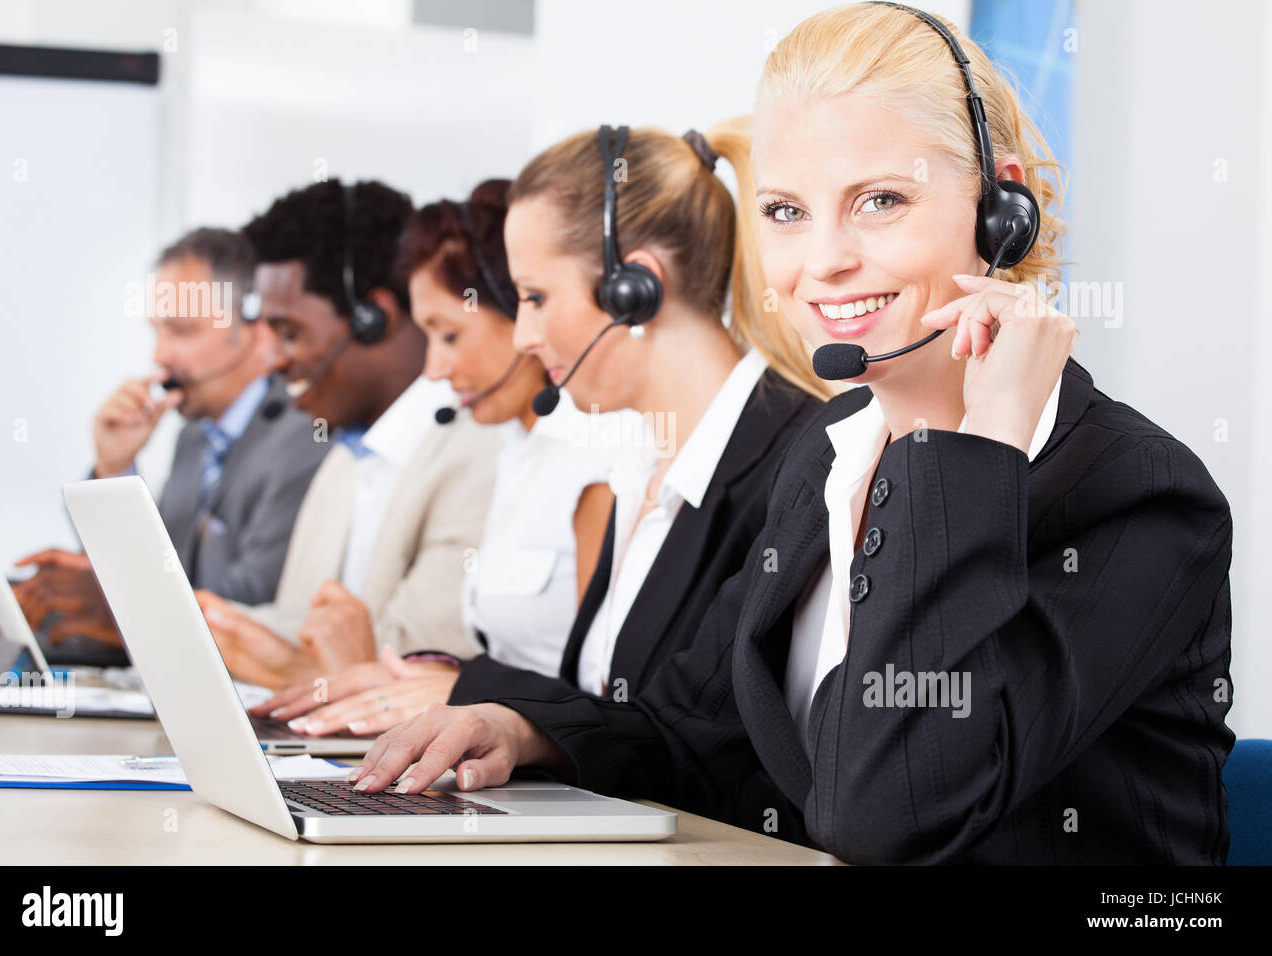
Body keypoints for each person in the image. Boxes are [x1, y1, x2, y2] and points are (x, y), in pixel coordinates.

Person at [347, 3, 1235, 866]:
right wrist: (521, 727)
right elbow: (698, 735)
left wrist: (971, 454)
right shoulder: (832, 447)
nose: (822, 261)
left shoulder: (1140, 494)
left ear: (1004, 206)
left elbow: (893, 814)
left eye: (880, 200)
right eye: (785, 211)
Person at [262, 123, 828, 837]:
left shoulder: (796, 459)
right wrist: (493, 710)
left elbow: (703, 739)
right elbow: (633, 717)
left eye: (534, 296)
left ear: (635, 289)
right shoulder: (646, 469)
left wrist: (494, 702)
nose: (524, 336)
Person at [195, 179, 500, 689]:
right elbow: (305, 622)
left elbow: (420, 656)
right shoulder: (344, 459)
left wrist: (269, 651)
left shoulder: (479, 450)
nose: (271, 359)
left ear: (371, 320)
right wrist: (212, 623)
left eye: (288, 332)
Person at [0, 228, 327, 647]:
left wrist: (54, 606)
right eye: (156, 331)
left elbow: (246, 604)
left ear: (260, 330)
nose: (160, 356)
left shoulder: (306, 434)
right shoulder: (195, 438)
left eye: (182, 331)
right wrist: (115, 468)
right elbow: (156, 575)